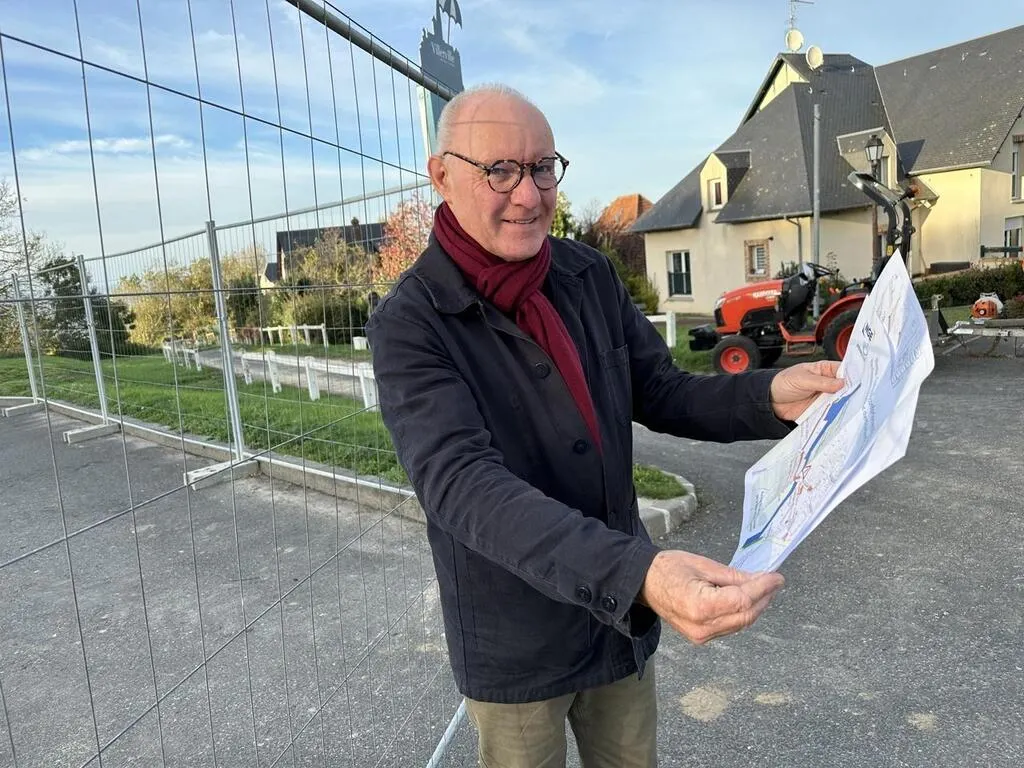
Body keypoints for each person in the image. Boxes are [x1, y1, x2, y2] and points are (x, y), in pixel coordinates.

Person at [365, 83, 843, 767]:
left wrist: (772, 393)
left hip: (616, 620)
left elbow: (660, 389)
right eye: (499, 169)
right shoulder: (412, 322)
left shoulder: (585, 273)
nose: (528, 194)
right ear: (442, 175)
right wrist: (641, 573)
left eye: (541, 167)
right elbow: (463, 487)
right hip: (518, 638)